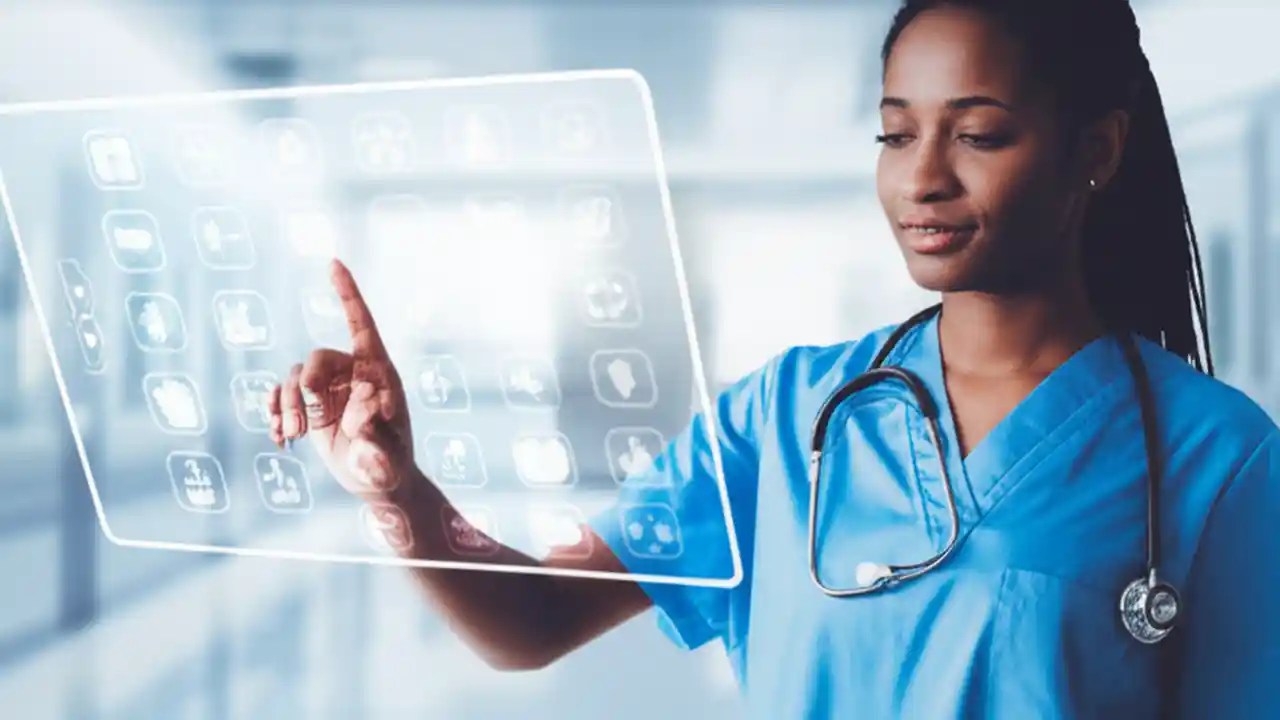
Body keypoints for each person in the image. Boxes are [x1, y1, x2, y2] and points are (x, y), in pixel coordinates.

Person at [267, 0, 1280, 716]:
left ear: (1094, 151)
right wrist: (396, 489)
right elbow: (528, 620)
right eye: (893, 136)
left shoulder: (1216, 461)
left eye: (977, 134)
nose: (920, 179)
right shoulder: (783, 414)